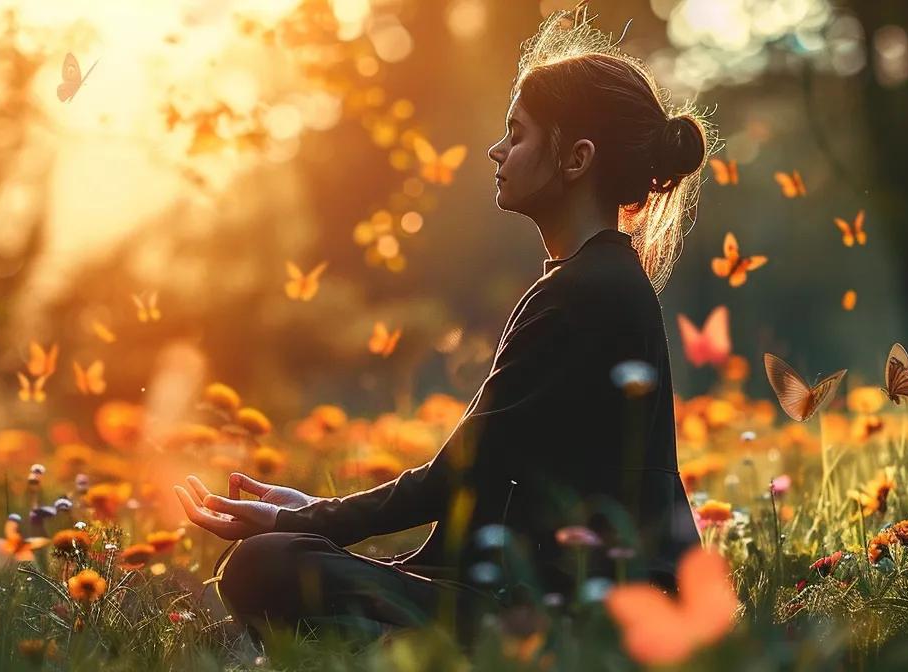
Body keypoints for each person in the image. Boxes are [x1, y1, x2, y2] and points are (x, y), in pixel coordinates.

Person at [174, 4, 710, 645]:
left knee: (265, 564)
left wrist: (315, 519)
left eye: (517, 133)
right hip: (569, 591)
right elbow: (491, 476)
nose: (497, 149)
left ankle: (385, 649)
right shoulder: (597, 284)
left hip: (578, 612)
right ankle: (381, 645)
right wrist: (304, 512)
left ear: (576, 159)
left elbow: (456, 476)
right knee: (281, 553)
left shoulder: (587, 294)